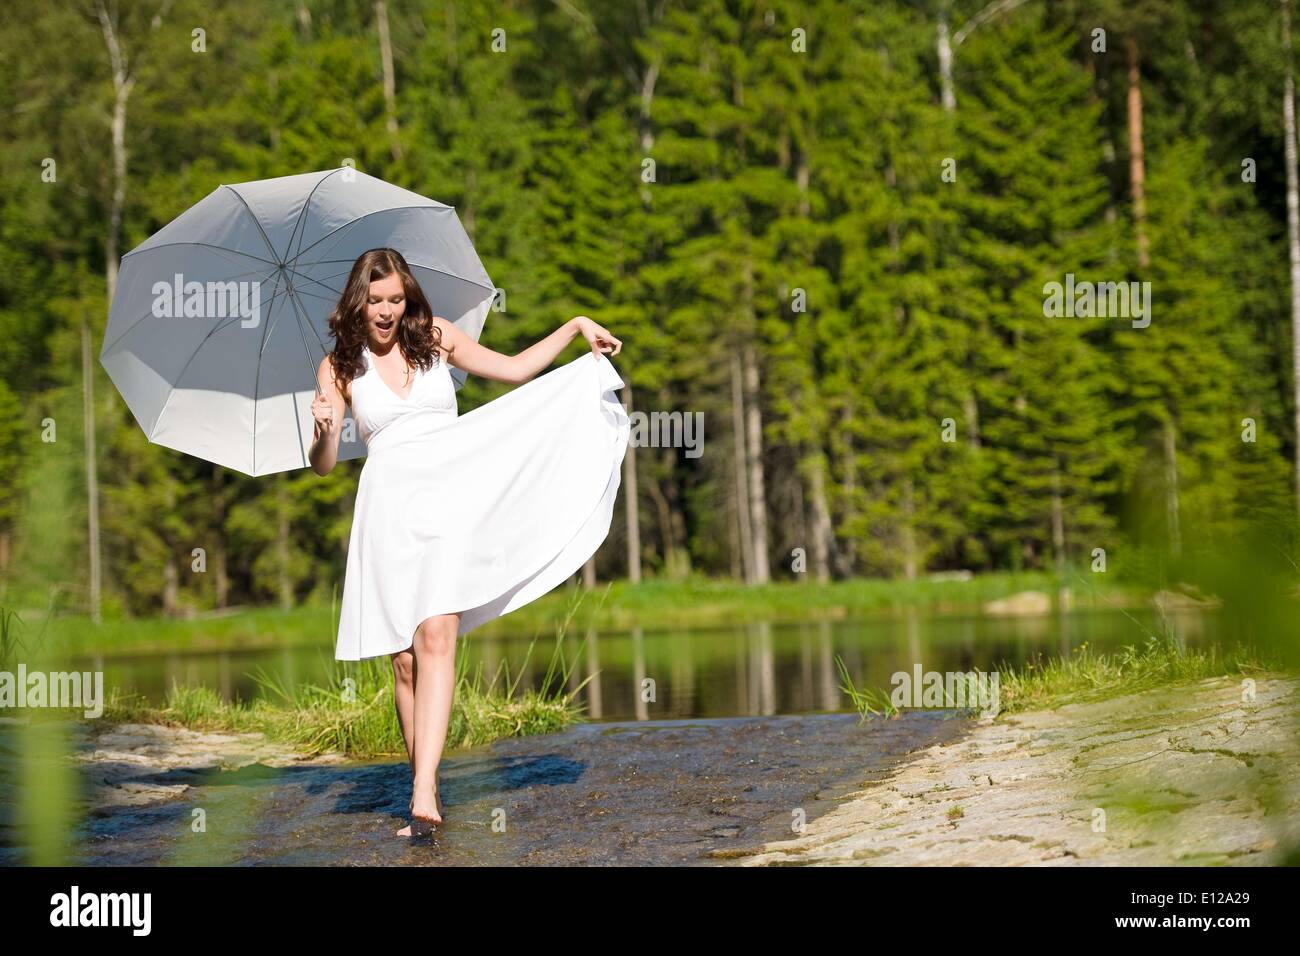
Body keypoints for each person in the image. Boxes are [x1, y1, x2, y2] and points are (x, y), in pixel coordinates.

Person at [308, 247, 628, 837]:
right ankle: (423, 778)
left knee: (437, 632)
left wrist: (577, 326)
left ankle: (424, 794)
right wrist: (325, 430)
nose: (385, 311)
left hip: (449, 494)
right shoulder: (338, 365)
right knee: (402, 661)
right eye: (375, 301)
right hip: (389, 508)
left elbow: (515, 370)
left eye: (395, 299)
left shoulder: (436, 336)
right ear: (358, 300)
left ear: (409, 297)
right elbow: (324, 465)